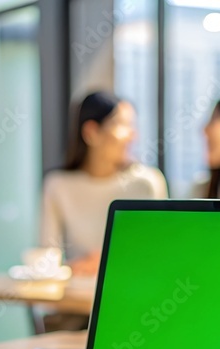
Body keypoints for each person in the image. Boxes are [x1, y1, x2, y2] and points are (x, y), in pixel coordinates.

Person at [40, 91, 167, 276]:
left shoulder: (147, 182)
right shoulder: (57, 185)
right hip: (71, 299)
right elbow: (47, 259)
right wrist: (76, 267)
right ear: (91, 132)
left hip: (130, 298)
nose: (133, 136)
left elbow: (159, 254)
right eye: (122, 125)